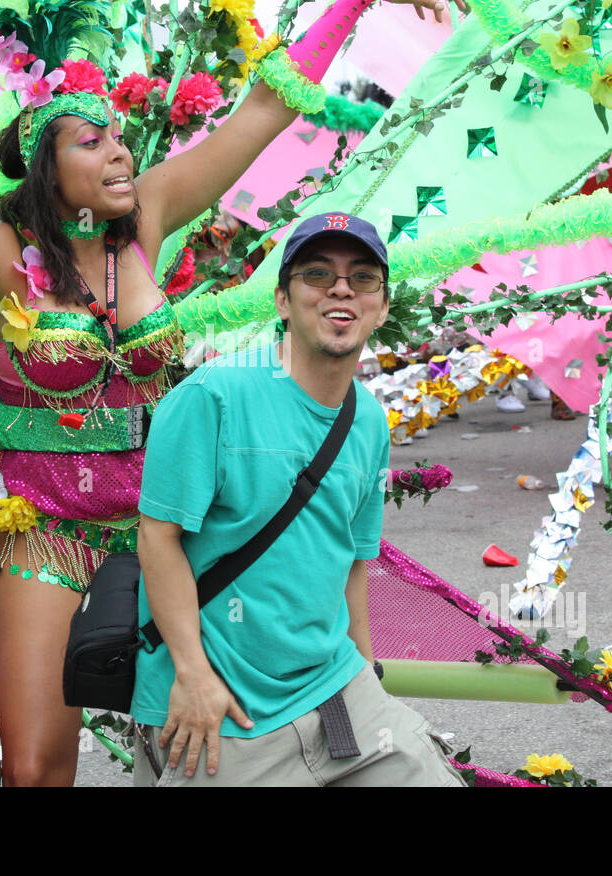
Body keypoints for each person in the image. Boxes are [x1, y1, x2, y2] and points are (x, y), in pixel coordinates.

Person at [0, 0, 470, 786]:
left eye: (119, 136)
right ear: (45, 170)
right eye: (90, 141)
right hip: (46, 535)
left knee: (219, 734)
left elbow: (265, 113)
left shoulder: (149, 224)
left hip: (170, 532)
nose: (120, 150)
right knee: (36, 770)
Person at [131, 212, 465, 786]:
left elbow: (352, 563)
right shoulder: (213, 395)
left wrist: (366, 675)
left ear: (381, 308)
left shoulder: (367, 420)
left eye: (363, 278)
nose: (341, 288)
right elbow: (157, 538)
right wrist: (191, 676)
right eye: (317, 274)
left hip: (338, 689)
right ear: (283, 301)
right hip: (224, 707)